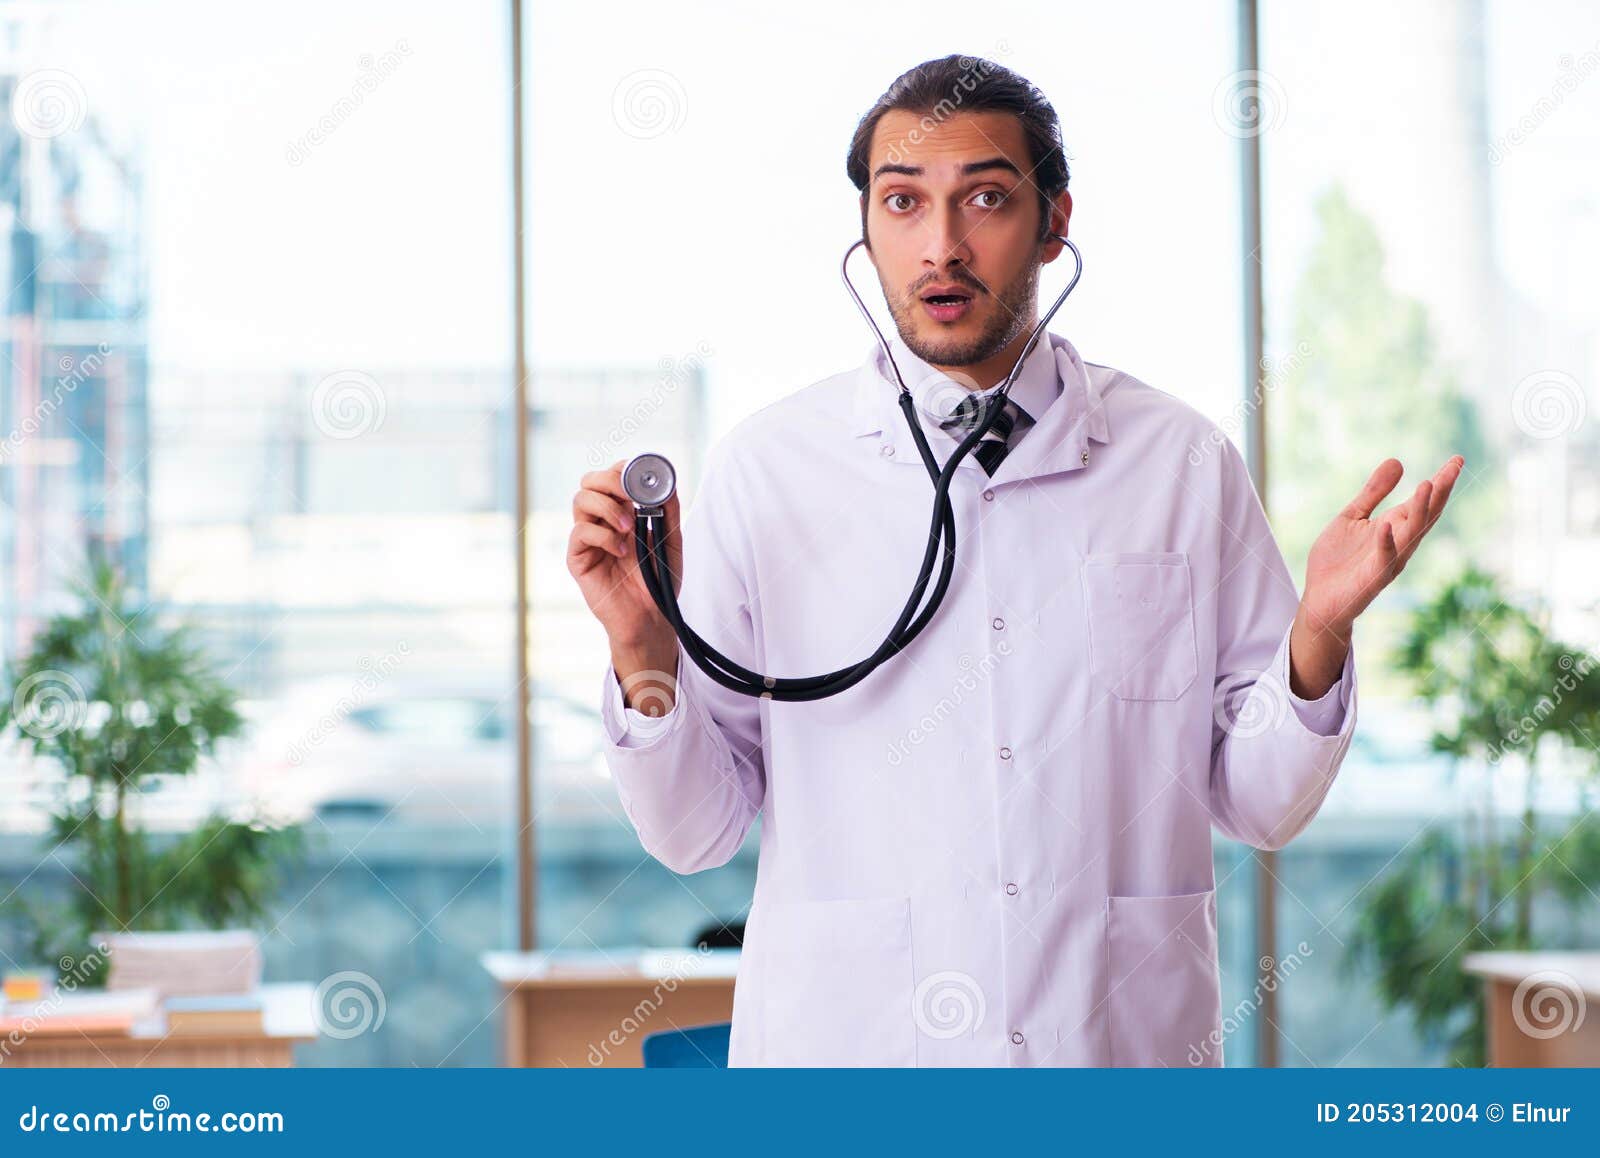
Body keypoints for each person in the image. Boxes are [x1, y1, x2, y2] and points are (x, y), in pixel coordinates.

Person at [567, 54, 1463, 1067]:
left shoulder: (1177, 462)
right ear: (865, 228)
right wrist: (644, 654)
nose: (939, 246)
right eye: (902, 202)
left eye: (984, 198)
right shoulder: (769, 471)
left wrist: (1317, 633)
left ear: (1054, 219)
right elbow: (695, 834)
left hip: (1112, 1047)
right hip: (852, 1054)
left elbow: (1259, 805)